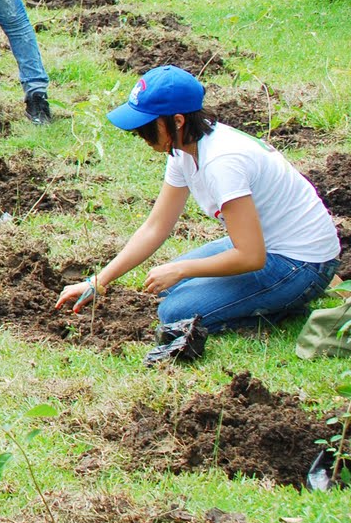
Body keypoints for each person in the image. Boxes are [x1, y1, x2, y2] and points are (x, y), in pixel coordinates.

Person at [55, 66, 340, 335]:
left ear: (177, 121)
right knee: (167, 288)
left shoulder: (222, 162)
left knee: (175, 313)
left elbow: (251, 256)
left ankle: (285, 305)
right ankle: (271, 297)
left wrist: (181, 268)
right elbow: (156, 226)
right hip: (262, 245)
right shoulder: (184, 149)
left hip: (299, 263)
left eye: (145, 124)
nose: (139, 134)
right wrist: (98, 281)